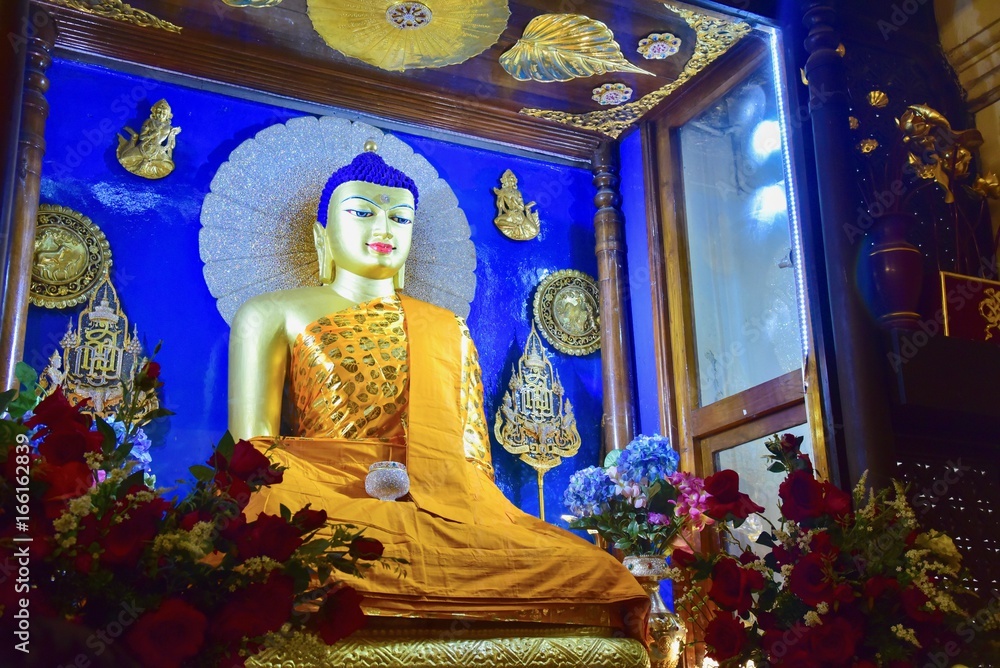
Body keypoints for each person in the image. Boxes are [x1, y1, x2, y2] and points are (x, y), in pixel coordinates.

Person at [228, 144, 648, 635]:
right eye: (362, 212)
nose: (383, 230)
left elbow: (469, 466)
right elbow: (252, 455)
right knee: (297, 554)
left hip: (446, 507)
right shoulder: (270, 312)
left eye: (400, 218)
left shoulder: (446, 327)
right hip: (326, 498)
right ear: (322, 234)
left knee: (590, 569)